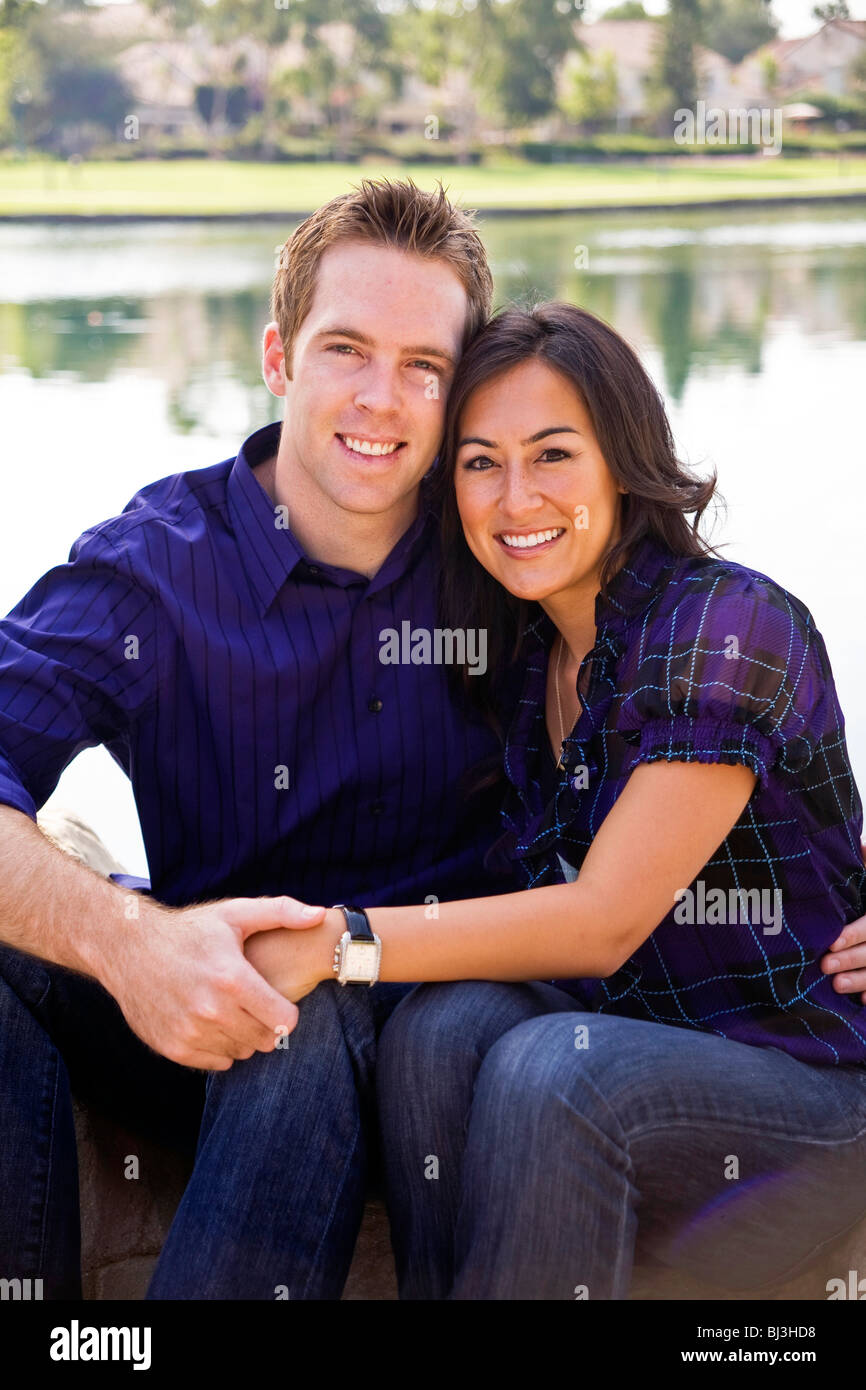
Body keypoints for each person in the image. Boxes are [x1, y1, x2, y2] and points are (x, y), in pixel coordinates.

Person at [0, 182, 862, 1301]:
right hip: (208, 993)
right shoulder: (157, 567)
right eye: (346, 348)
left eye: (423, 367)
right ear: (277, 355)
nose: (381, 398)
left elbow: (754, 743)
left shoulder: (511, 562)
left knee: (313, 1018)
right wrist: (130, 940)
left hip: (419, 1016)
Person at [247, 302, 866, 1300]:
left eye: (551, 455)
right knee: (438, 1032)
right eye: (480, 462)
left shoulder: (724, 624)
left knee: (557, 1070)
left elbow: (597, 923)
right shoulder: (528, 657)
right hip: (641, 1060)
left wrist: (336, 943)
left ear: (621, 461)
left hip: (810, 1099)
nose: (514, 496)